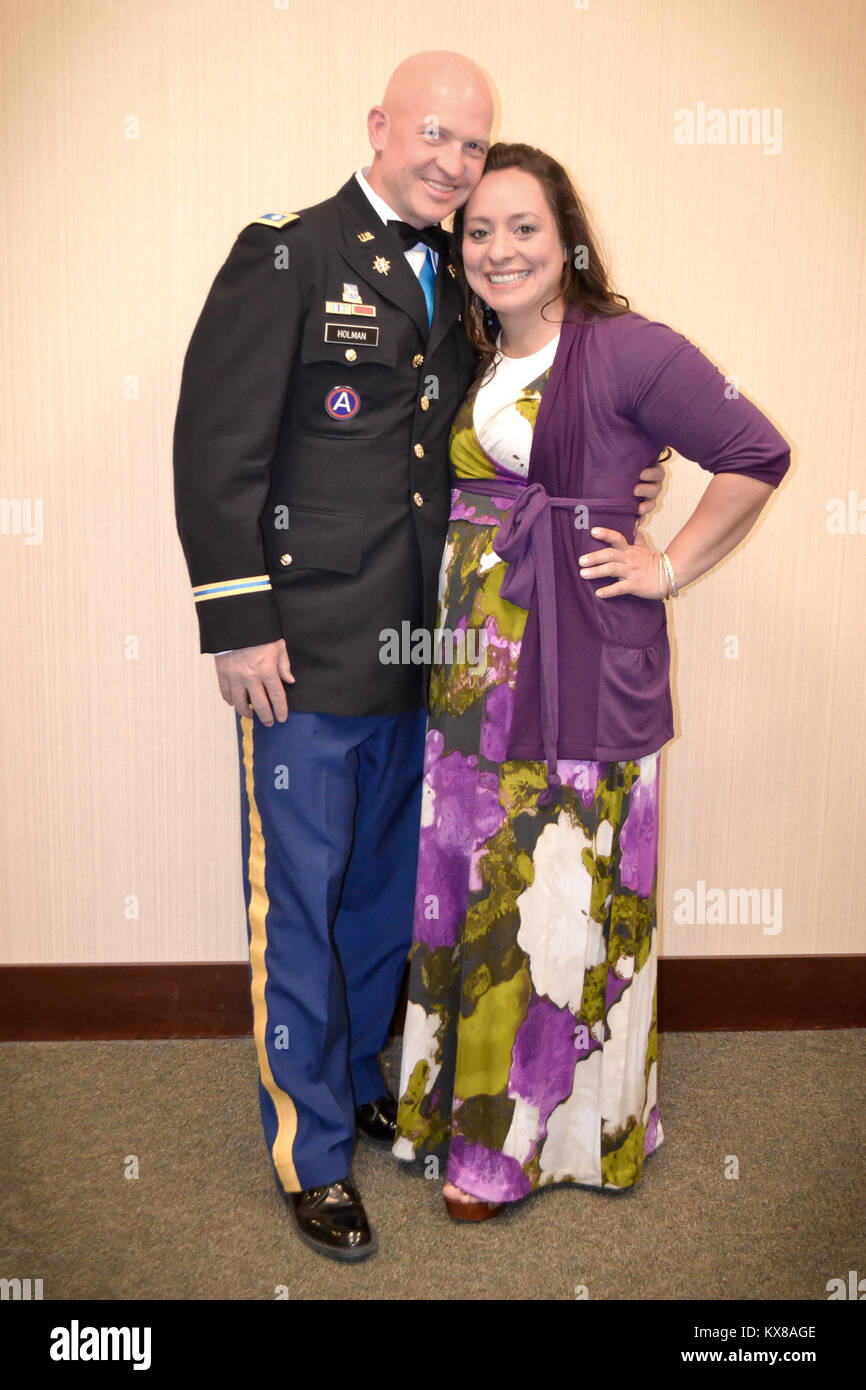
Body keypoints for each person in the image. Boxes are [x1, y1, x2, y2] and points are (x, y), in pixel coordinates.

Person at [173, 57, 664, 1263]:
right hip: (304, 654)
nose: (452, 162)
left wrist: (626, 474)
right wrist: (238, 618)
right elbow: (215, 442)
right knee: (301, 904)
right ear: (381, 127)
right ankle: (312, 1151)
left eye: (471, 143)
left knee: (389, 905)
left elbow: (511, 423)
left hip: (433, 661)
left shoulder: (466, 278)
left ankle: (360, 1084)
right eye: (435, 136)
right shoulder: (286, 252)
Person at [392, 142, 791, 1221]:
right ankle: (455, 1113)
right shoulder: (472, 353)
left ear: (564, 238)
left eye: (521, 226)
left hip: (575, 665)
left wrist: (663, 565)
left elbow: (755, 453)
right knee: (475, 891)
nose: (497, 248)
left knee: (552, 895)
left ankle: (513, 1150)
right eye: (476, 231)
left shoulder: (626, 348)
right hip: (471, 670)